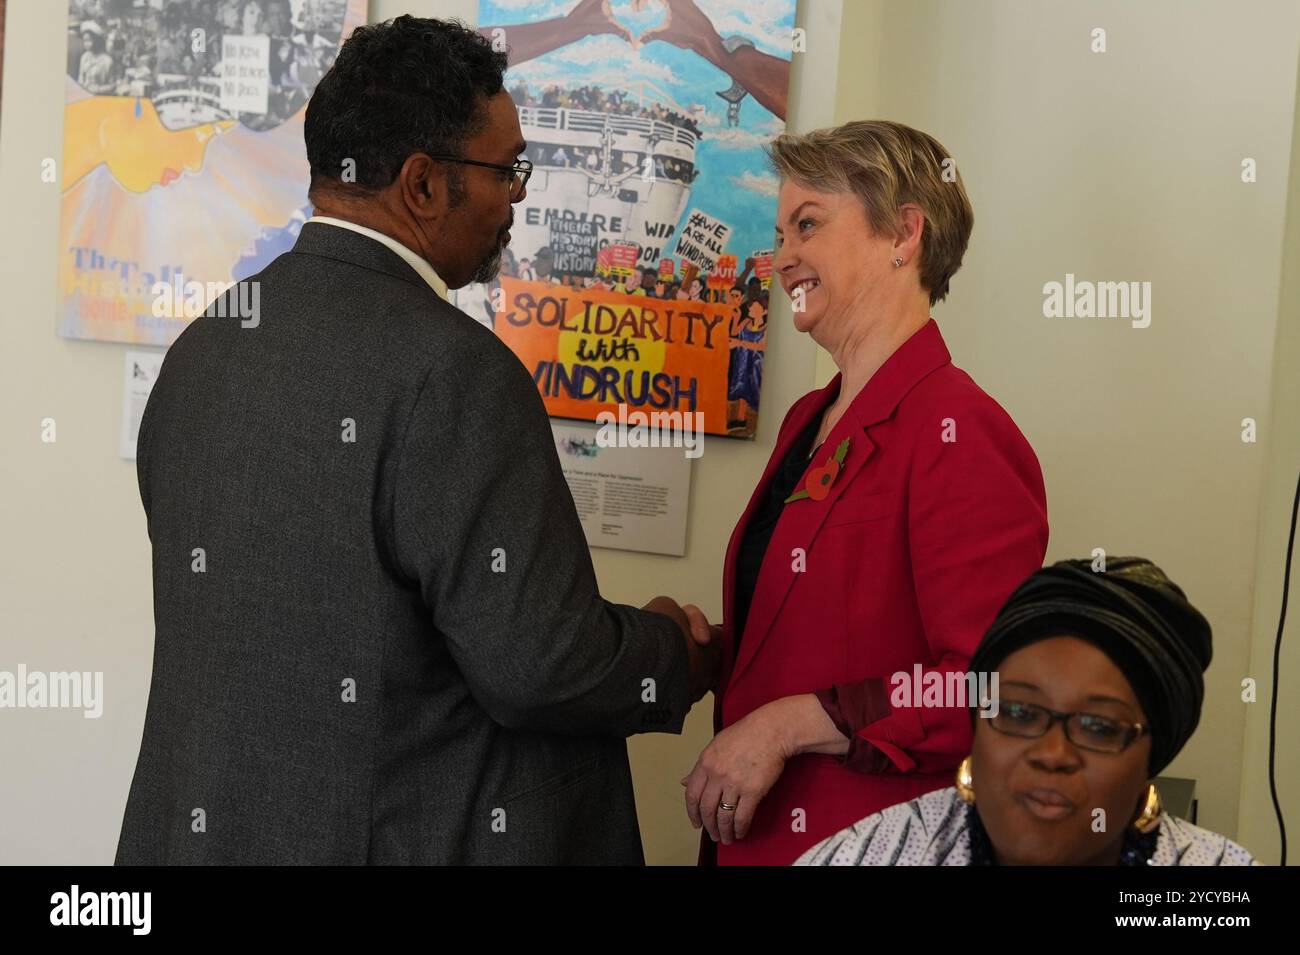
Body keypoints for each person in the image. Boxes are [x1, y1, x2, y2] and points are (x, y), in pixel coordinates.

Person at [116, 15, 718, 867]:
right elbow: (538, 666)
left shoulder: (204, 346)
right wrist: (672, 651)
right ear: (424, 185)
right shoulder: (459, 374)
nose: (517, 196)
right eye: (507, 170)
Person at [681, 120, 1048, 865]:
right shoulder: (808, 419)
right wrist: (698, 650)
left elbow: (989, 683)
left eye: (807, 224)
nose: (782, 256)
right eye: (780, 232)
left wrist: (788, 724)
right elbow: (817, 627)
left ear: (904, 234)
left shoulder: (960, 428)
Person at [798, 558, 1256, 866]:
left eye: (1098, 726)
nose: (1051, 753)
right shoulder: (862, 857)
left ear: (1153, 754)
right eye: (1018, 713)